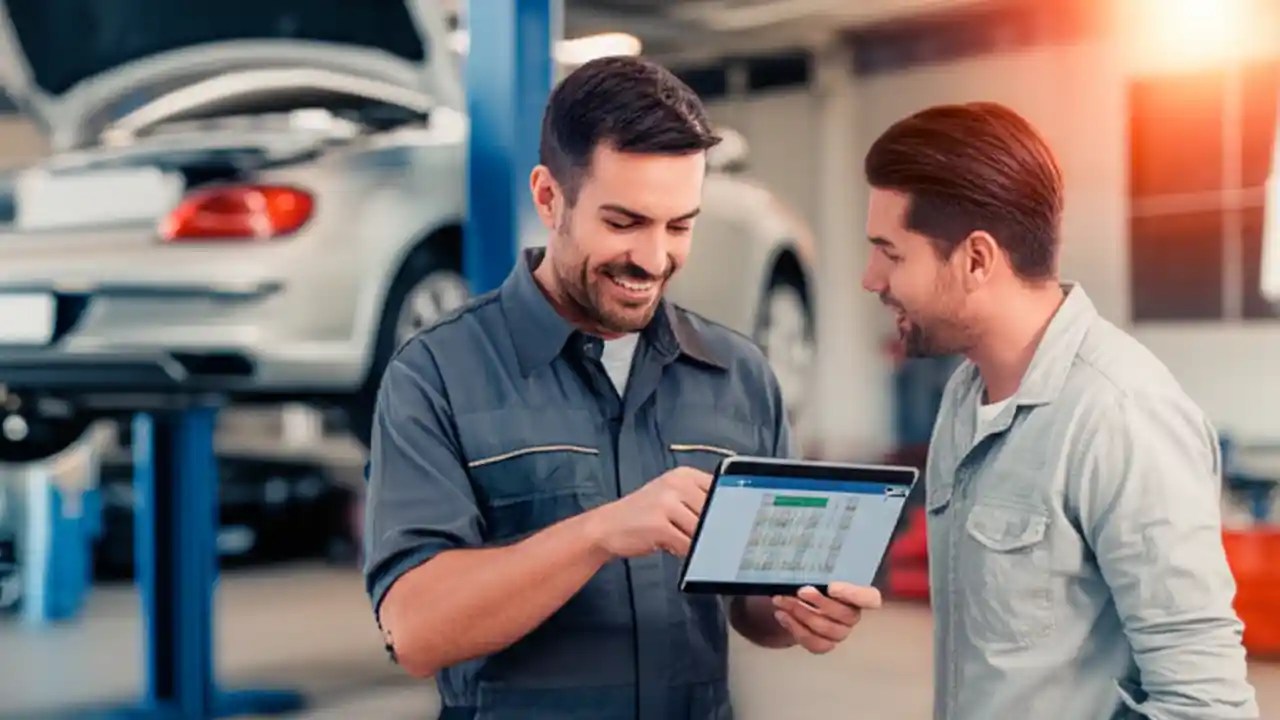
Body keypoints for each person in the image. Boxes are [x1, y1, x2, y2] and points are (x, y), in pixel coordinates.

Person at [363, 56, 882, 720]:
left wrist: (798, 611)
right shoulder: (436, 374)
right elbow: (415, 631)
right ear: (549, 197)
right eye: (623, 222)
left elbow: (755, 604)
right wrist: (599, 534)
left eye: (680, 225)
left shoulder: (738, 375)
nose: (654, 257)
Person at [859, 101, 1260, 720]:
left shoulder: (1119, 416)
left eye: (890, 253)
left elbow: (1205, 704)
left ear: (975, 260)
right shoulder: (965, 398)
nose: (870, 278)